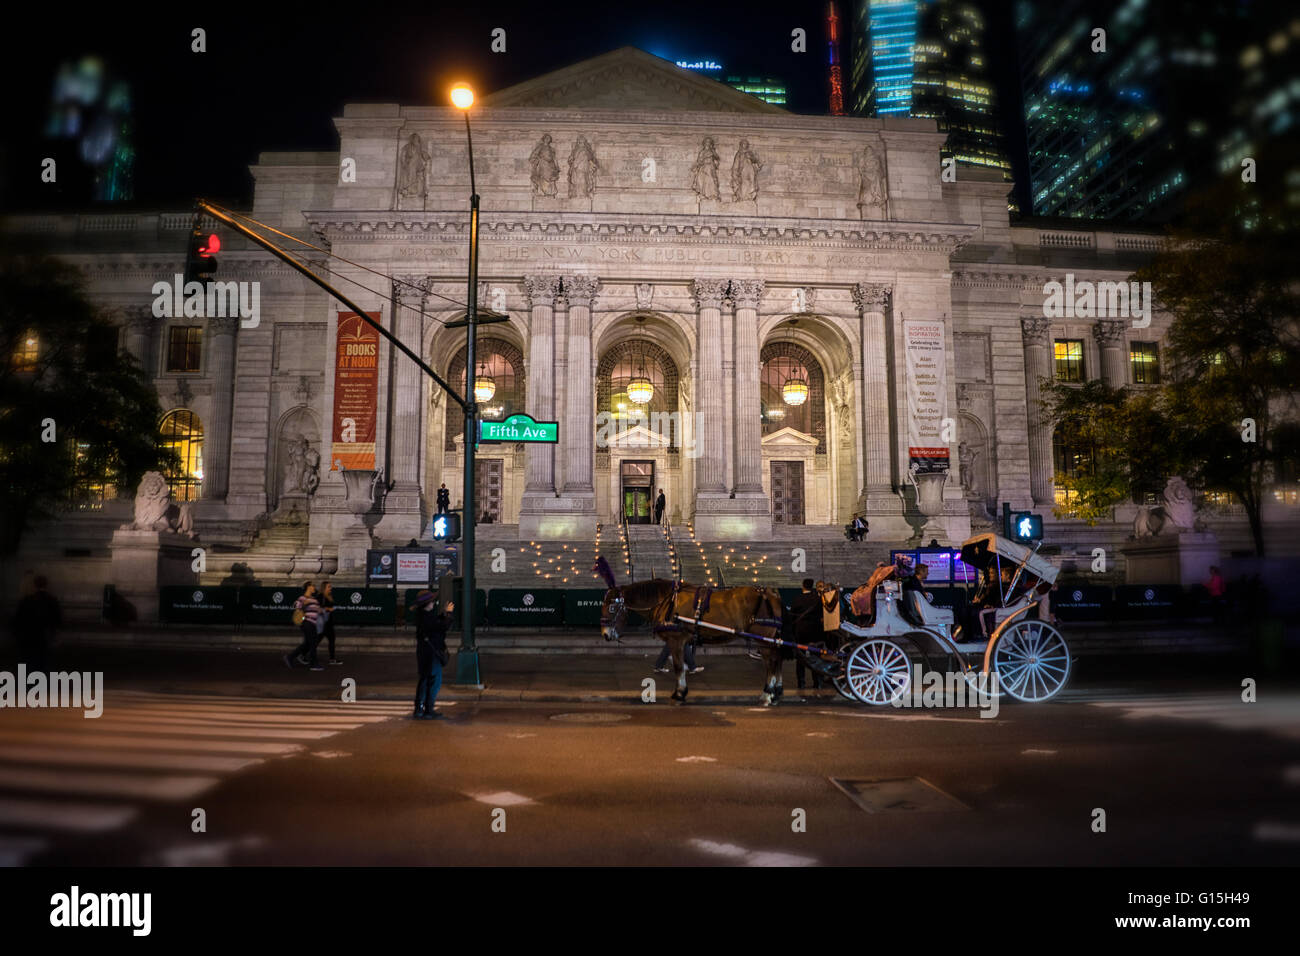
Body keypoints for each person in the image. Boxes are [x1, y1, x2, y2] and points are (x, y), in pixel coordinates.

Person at [410, 589, 453, 719]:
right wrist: (449, 614)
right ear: (427, 604)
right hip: (432, 653)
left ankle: (419, 709)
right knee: (434, 681)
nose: (434, 603)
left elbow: (435, 621)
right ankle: (428, 709)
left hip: (424, 652)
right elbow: (442, 626)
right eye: (432, 601)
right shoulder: (427, 617)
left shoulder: (422, 615)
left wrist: (444, 613)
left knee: (424, 680)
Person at [12, 575, 60, 672]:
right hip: (45, 636)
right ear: (46, 585)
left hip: (29, 636)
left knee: (30, 660)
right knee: (44, 660)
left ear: (34, 585)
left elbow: (18, 619)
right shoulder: (52, 600)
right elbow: (57, 620)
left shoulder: (27, 600)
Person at [791, 578, 824, 692]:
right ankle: (818, 683)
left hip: (801, 632)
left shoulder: (797, 599)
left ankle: (801, 683)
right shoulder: (818, 599)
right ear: (812, 586)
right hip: (816, 631)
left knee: (800, 658)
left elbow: (793, 615)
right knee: (817, 657)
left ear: (803, 586)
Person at [284, 582, 324, 671]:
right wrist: (302, 604)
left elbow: (317, 611)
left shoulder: (314, 599)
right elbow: (295, 605)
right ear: (308, 587)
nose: (314, 587)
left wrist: (320, 610)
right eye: (313, 585)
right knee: (313, 643)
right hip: (307, 622)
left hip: (313, 624)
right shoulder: (303, 598)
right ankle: (313, 664)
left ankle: (290, 657)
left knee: (307, 644)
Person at [319, 581, 342, 665]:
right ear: (324, 588)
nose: (330, 588)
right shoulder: (321, 596)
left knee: (331, 640)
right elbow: (319, 608)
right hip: (323, 623)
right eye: (329, 587)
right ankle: (302, 654)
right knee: (316, 641)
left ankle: (332, 659)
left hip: (328, 622)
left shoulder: (329, 596)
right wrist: (329, 609)